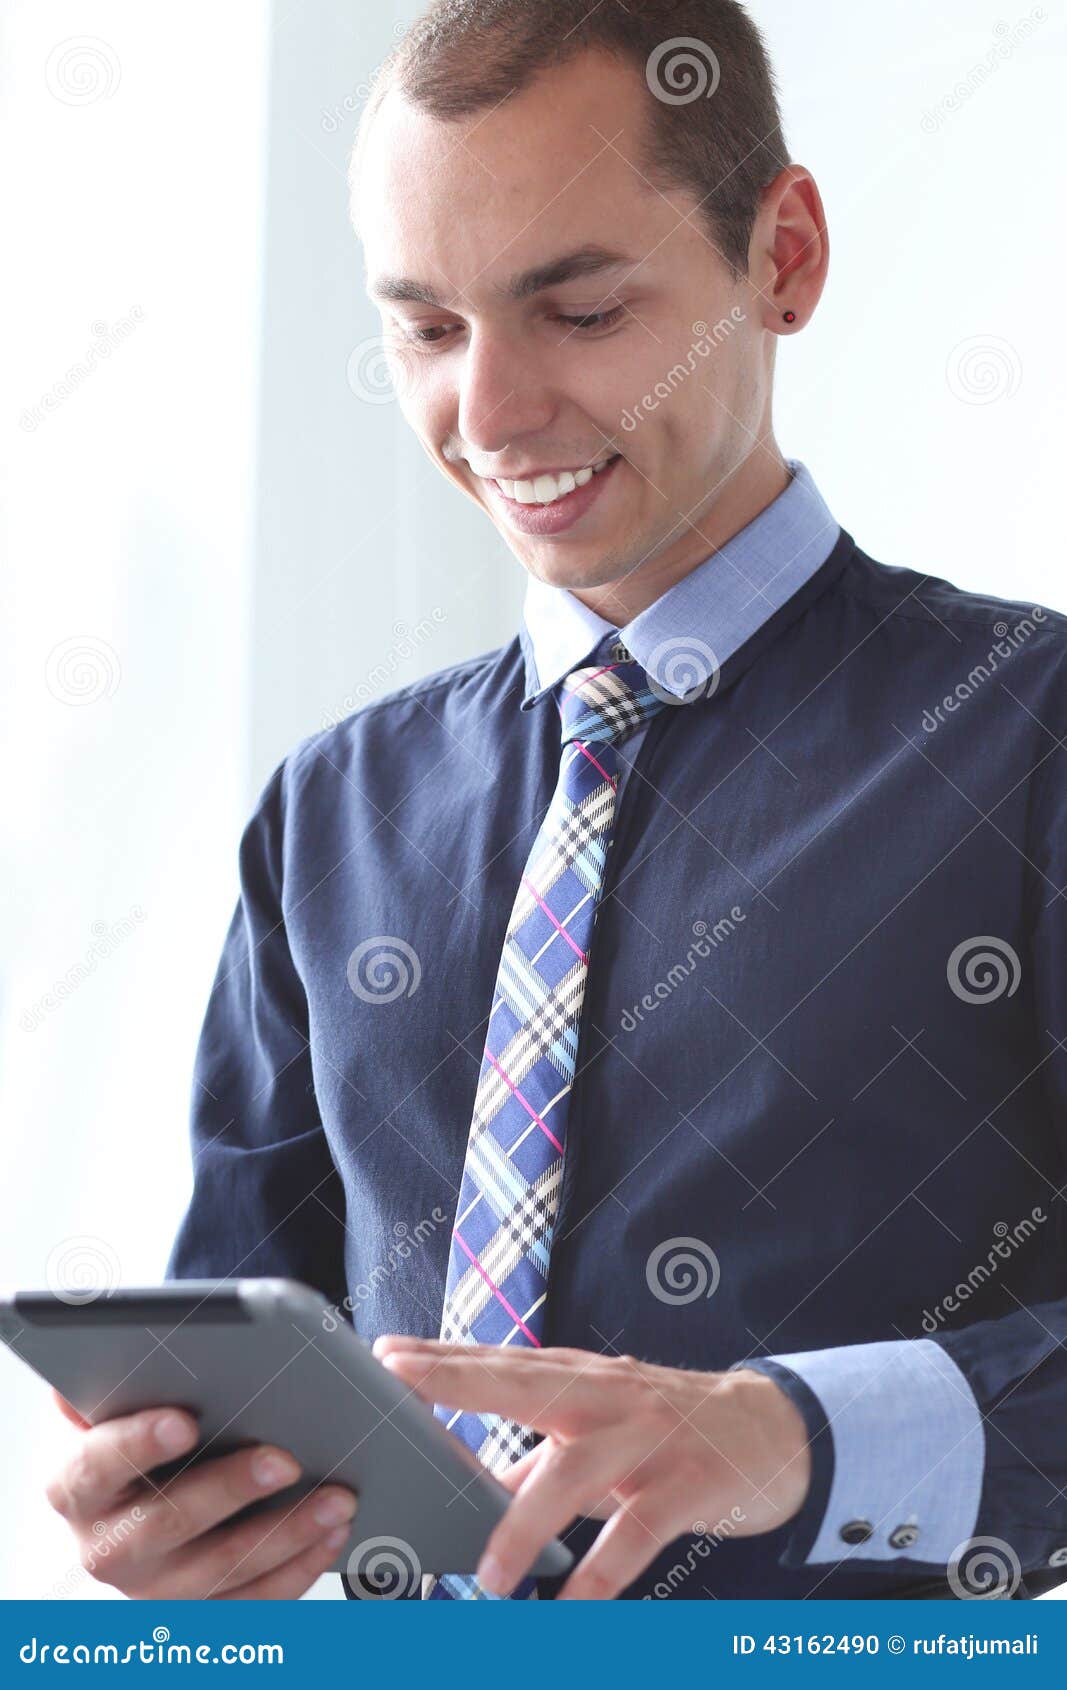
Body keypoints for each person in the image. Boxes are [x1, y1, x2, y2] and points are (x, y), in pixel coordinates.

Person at [45, 0, 1067, 1602]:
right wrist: (172, 1511)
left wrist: (803, 1437)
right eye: (427, 332)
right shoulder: (333, 811)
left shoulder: (1031, 736)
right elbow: (239, 1369)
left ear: (782, 258)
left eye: (581, 309)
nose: (492, 413)